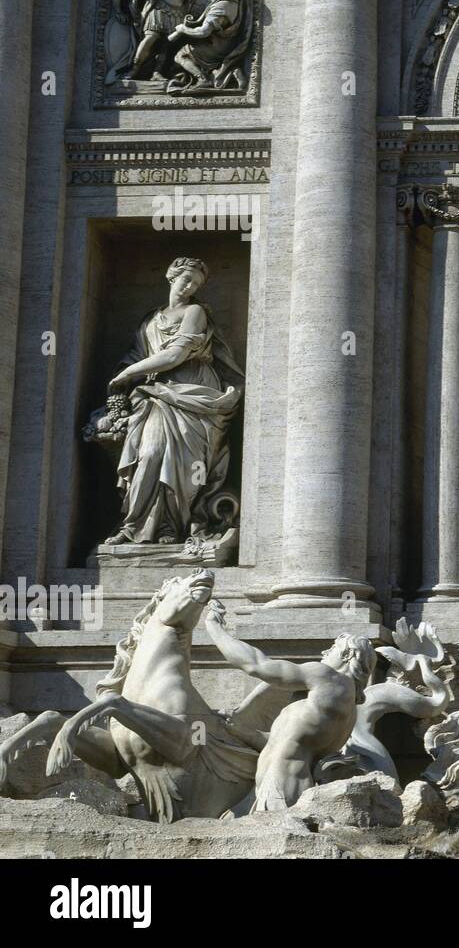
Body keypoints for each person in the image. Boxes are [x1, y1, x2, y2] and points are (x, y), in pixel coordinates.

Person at [102, 257, 243, 545]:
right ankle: (134, 525)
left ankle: (170, 526)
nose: (189, 286)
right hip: (157, 394)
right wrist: (126, 374)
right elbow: (137, 356)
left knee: (183, 463)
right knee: (151, 453)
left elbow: (174, 355)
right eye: (185, 279)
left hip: (193, 393)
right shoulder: (149, 321)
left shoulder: (195, 312)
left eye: (196, 283)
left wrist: (128, 373)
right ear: (171, 276)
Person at [205, 599, 375, 811]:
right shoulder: (347, 707)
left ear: (347, 654)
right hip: (284, 786)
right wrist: (243, 732)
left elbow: (256, 665)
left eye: (331, 648)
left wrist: (213, 627)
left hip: (281, 789)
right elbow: (288, 741)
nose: (324, 654)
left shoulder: (327, 676)